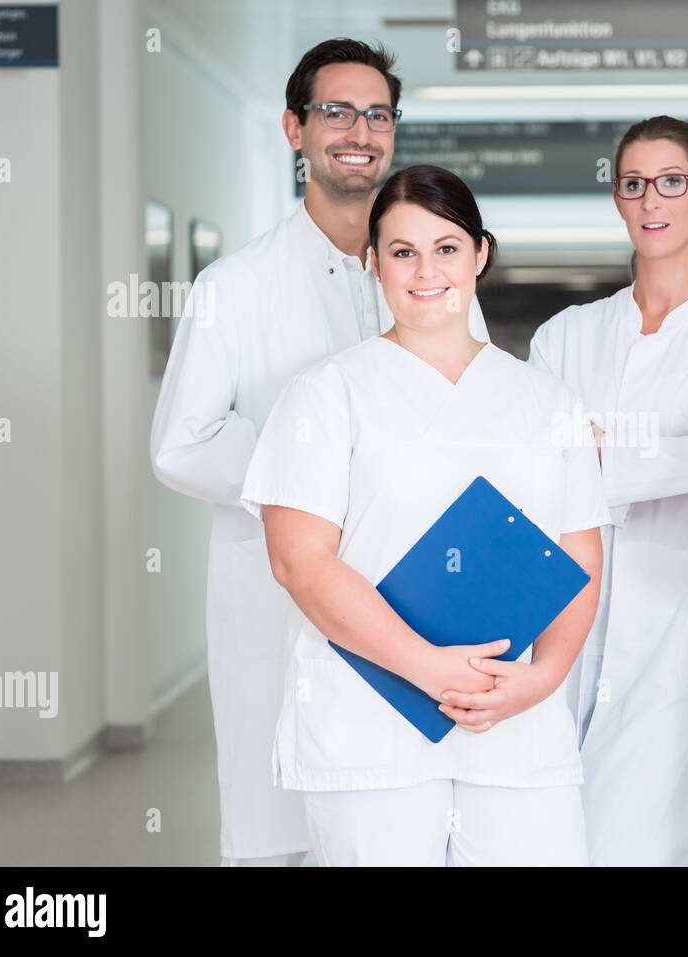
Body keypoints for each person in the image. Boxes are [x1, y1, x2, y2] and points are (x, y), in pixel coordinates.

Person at [150, 38, 489, 867]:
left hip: (412, 597)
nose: (358, 130)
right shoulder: (236, 286)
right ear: (295, 130)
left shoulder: (428, 274)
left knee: (397, 825)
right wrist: (315, 492)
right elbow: (181, 442)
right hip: (280, 597)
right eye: (335, 111)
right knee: (278, 831)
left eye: (377, 114)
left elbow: (474, 413)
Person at [239, 164, 608, 867]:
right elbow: (299, 559)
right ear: (372, 263)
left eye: (445, 247)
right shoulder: (325, 394)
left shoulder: (547, 400)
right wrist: (428, 668)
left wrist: (545, 675)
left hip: (514, 721)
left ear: (480, 254)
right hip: (369, 722)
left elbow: (580, 553)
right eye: (402, 251)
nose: (425, 270)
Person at [528, 116, 688, 866]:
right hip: (571, 622)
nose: (654, 199)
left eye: (672, 181)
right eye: (634, 182)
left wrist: (599, 447)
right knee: (568, 832)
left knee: (658, 835)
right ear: (617, 198)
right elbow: (543, 469)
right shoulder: (565, 336)